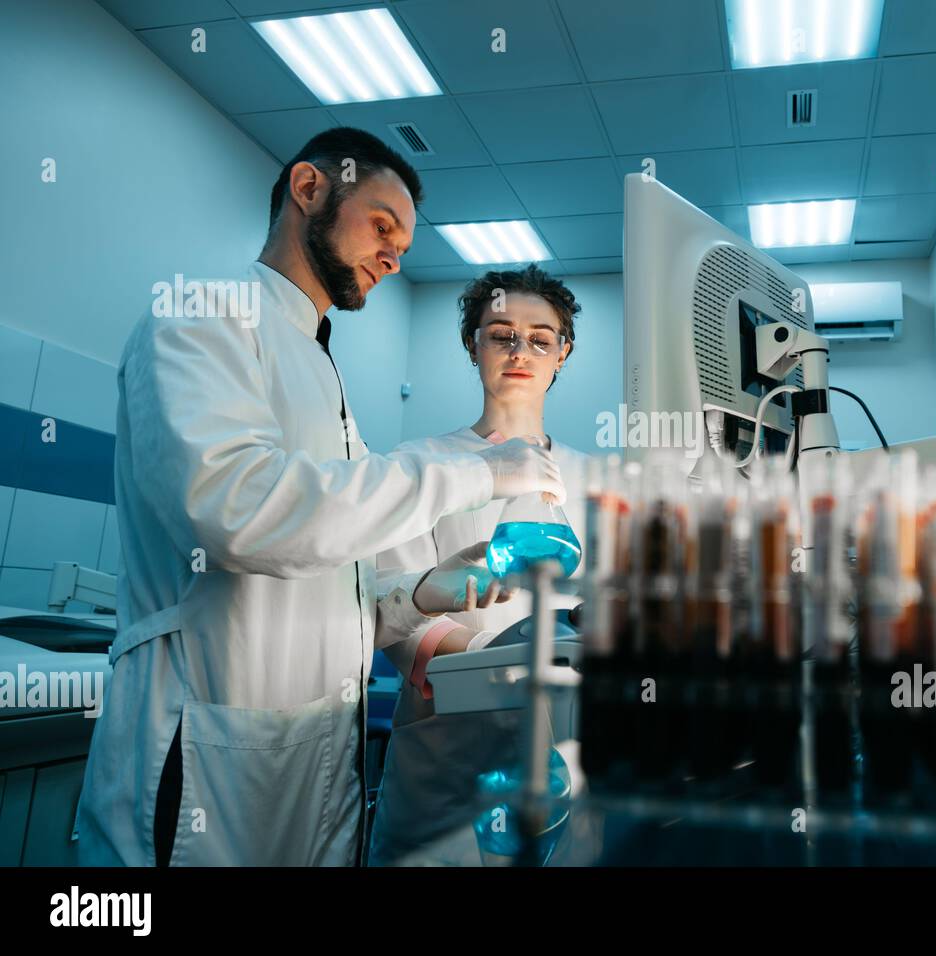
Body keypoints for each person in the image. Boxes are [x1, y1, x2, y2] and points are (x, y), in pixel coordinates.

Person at [77, 128, 565, 867]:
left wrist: (424, 592)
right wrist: (485, 472)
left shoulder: (320, 368)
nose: (395, 254)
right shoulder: (204, 316)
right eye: (382, 225)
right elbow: (240, 515)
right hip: (204, 751)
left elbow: (336, 582)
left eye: (402, 241)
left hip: (302, 765)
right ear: (310, 189)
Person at [368, 264, 587, 866]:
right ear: (473, 345)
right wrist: (507, 664)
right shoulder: (420, 464)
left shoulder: (593, 477)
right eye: (500, 333)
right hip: (448, 751)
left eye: (541, 338)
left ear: (562, 353)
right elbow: (393, 608)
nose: (521, 351)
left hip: (566, 750)